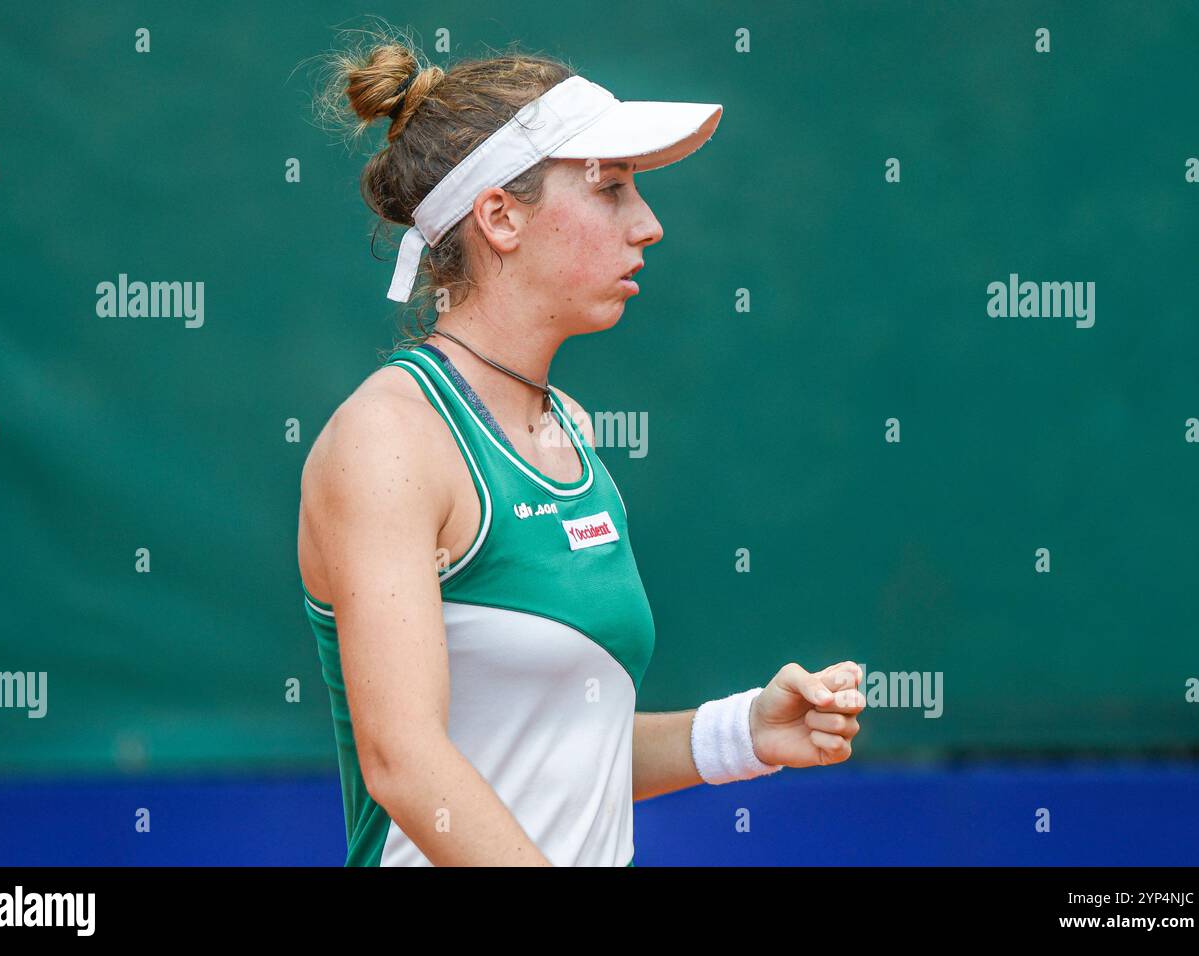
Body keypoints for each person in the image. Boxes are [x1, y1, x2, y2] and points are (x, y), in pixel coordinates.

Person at [297, 33, 866, 867]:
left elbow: (559, 755)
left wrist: (741, 733)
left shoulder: (570, 424)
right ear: (500, 217)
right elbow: (404, 763)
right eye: (613, 188)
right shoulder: (388, 440)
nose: (650, 224)